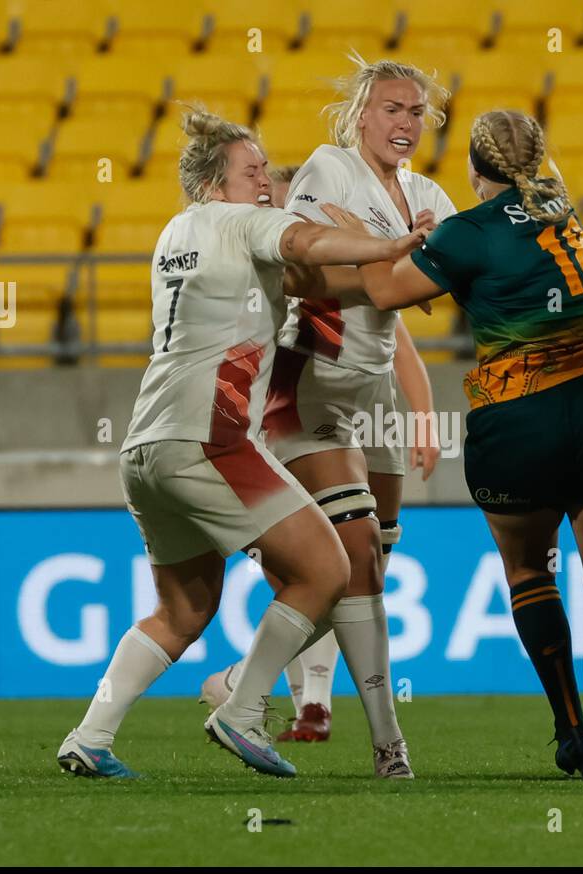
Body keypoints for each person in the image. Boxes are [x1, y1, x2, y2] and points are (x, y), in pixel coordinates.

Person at [55, 108, 425, 780]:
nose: (266, 181)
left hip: (145, 447)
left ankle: (90, 734)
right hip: (211, 441)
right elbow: (307, 246)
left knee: (184, 609)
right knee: (328, 569)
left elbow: (305, 278)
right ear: (213, 185)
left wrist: (377, 279)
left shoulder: (177, 233)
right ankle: (242, 709)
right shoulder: (242, 222)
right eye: (252, 171)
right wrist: (389, 247)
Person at [327, 108, 583, 779]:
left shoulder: (465, 233)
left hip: (519, 418)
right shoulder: (560, 209)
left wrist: (354, 227)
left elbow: (381, 290)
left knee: (529, 570)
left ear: (472, 168)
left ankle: (570, 728)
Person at [202, 55, 455, 767]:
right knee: (356, 559)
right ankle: (386, 746)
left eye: (417, 112)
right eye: (392, 109)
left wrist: (385, 269)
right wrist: (393, 266)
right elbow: (306, 272)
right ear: (361, 114)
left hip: (369, 393)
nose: (406, 123)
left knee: (369, 562)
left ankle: (237, 684)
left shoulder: (429, 191)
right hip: (306, 380)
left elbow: (430, 289)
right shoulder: (326, 169)